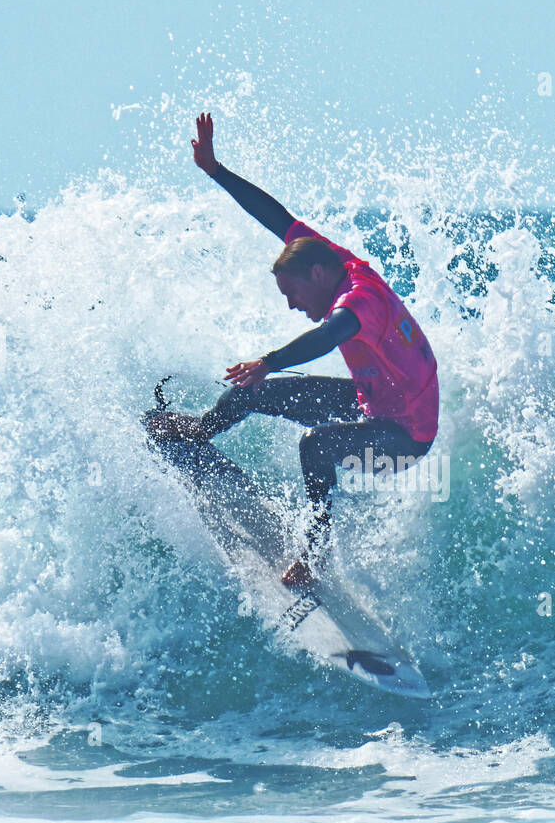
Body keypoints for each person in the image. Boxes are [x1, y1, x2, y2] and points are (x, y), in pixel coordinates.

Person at [149, 112, 439, 588]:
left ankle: (315, 558)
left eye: (293, 295)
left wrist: (269, 362)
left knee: (316, 445)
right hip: (373, 401)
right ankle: (200, 430)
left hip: (406, 438)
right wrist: (216, 170)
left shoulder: (358, 300)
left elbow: (329, 335)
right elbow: (275, 217)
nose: (292, 305)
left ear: (317, 277)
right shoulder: (331, 260)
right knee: (253, 392)